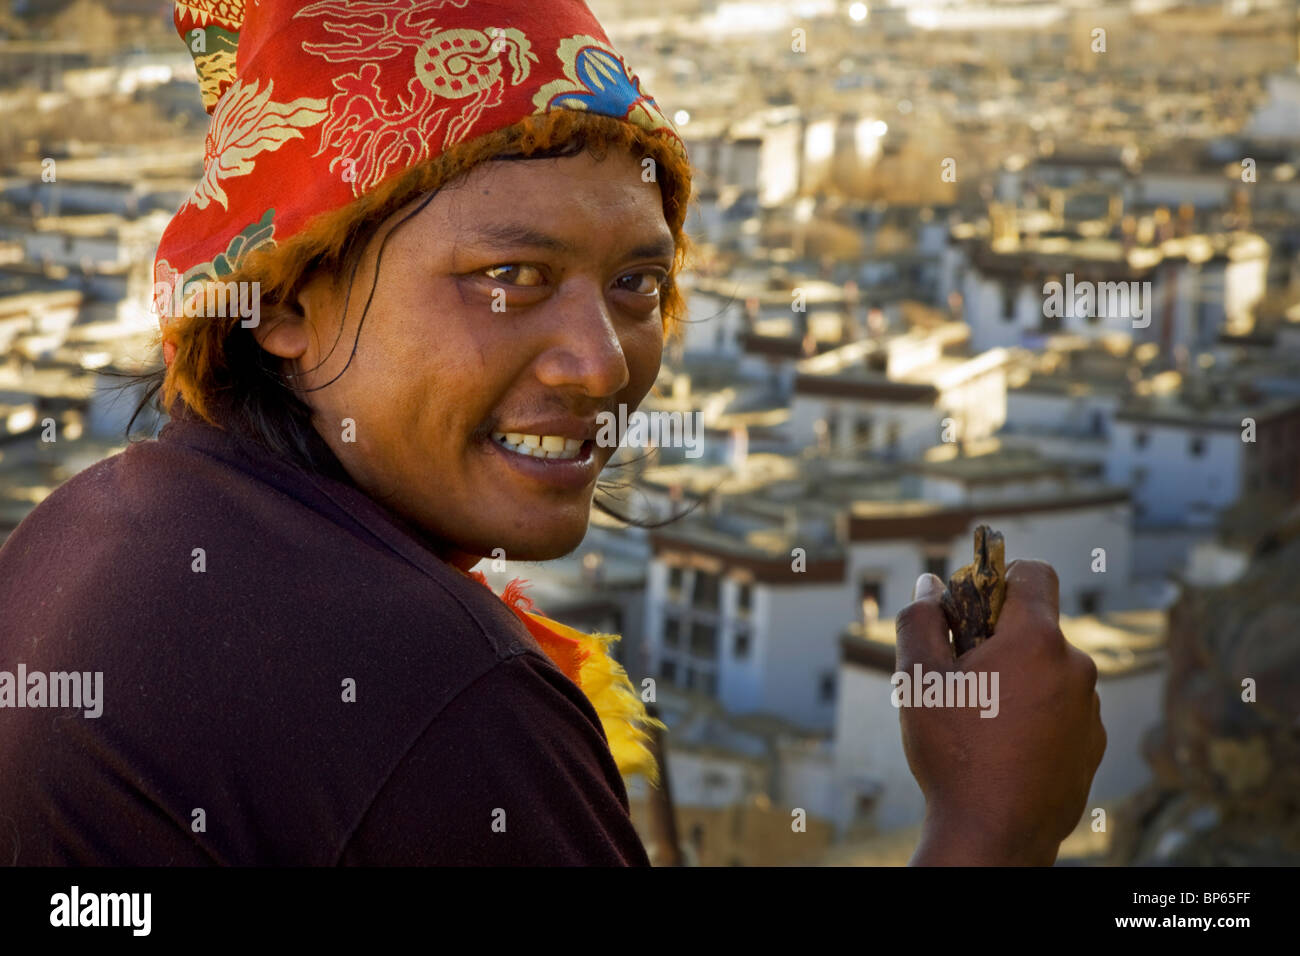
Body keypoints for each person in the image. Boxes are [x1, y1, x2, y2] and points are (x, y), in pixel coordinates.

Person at [0, 0, 1103, 866]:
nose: (604, 361)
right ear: (286, 297)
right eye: (508, 278)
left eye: (636, 280)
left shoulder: (85, 526)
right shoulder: (436, 699)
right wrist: (990, 824)